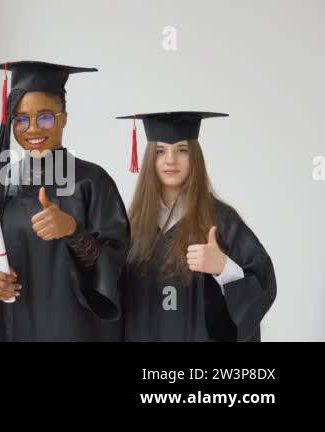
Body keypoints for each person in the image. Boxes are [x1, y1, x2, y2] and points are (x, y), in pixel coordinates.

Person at [0, 61, 130, 341]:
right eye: (21, 119)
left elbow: (115, 265)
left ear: (64, 118)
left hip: (73, 331)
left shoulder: (92, 182)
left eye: (46, 117)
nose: (33, 129)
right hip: (6, 329)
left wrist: (73, 232)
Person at [117, 111, 277, 341]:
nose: (171, 159)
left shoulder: (222, 221)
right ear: (150, 159)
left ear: (196, 157)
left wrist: (224, 268)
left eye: (182, 150)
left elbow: (263, 288)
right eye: (161, 151)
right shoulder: (131, 226)